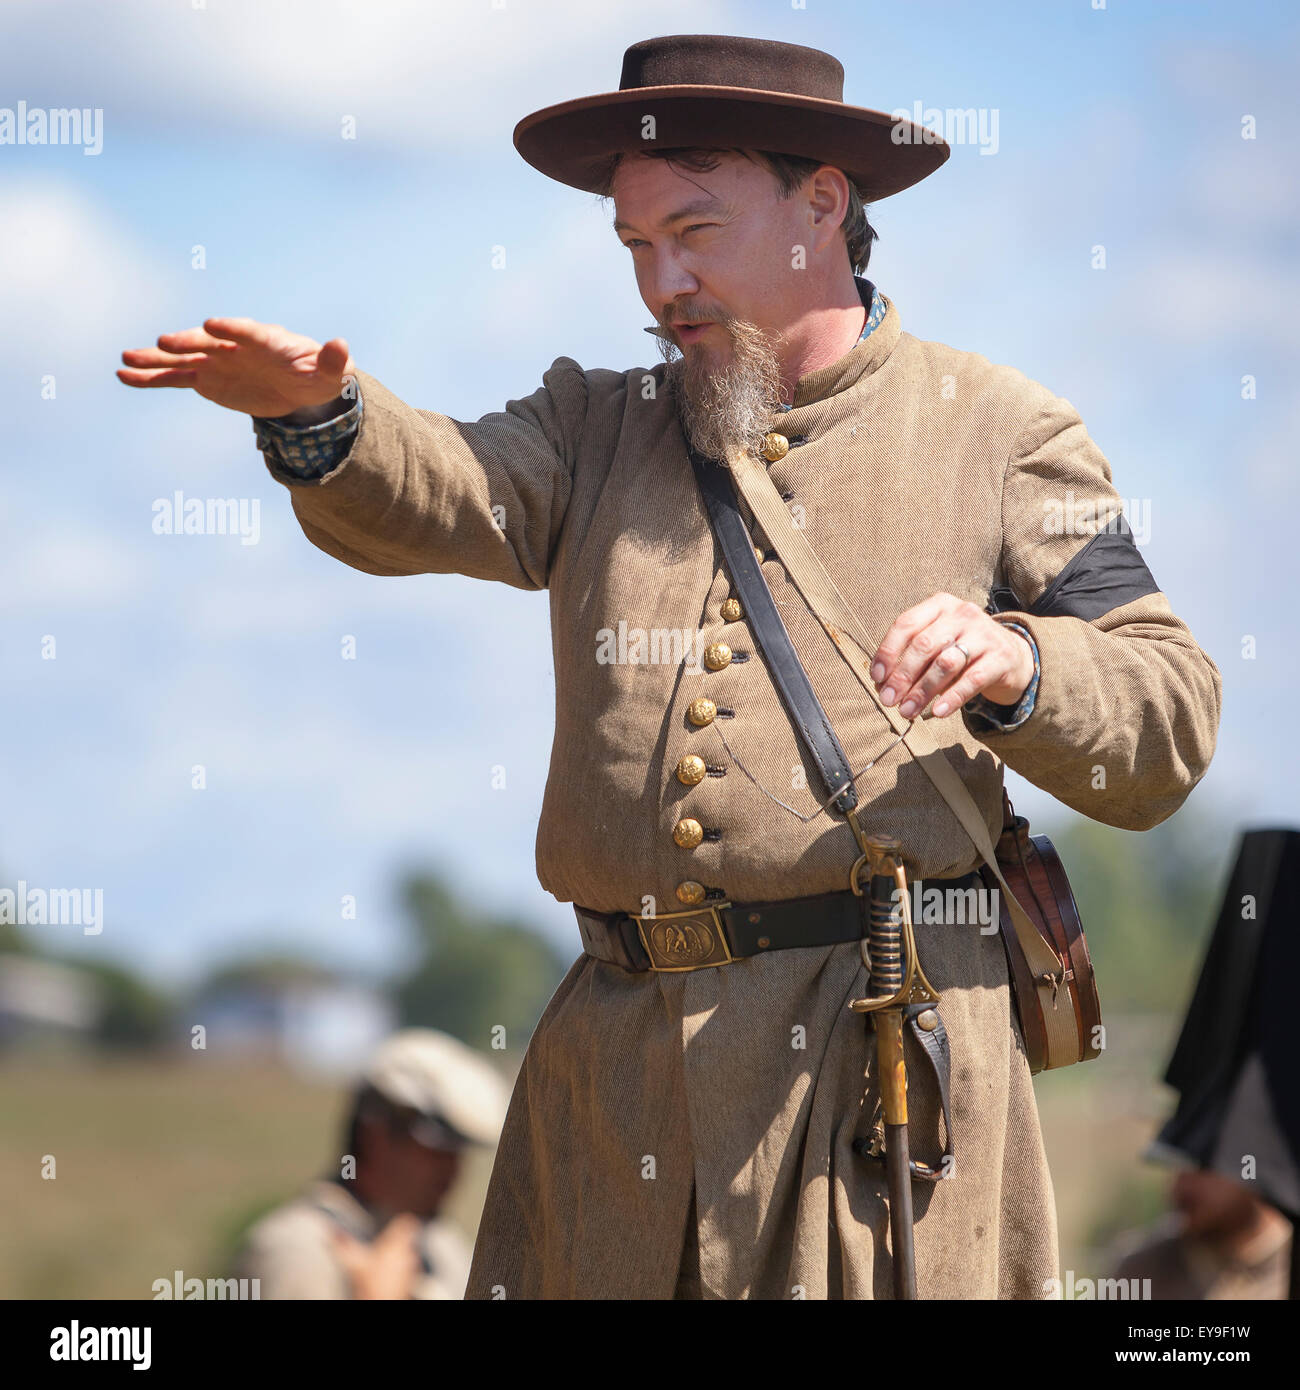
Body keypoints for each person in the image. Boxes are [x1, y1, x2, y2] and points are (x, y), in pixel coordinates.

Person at [119, 34, 1222, 1299]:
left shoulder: (1003, 431)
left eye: (692, 231)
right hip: (615, 1076)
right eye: (637, 247)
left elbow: (1169, 711)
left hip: (869, 1081)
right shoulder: (597, 425)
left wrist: (1022, 659)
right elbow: (448, 487)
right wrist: (323, 419)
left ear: (823, 203)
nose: (662, 283)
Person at [232, 1029, 509, 1299]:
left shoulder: (444, 1251)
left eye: (458, 1154)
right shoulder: (297, 1252)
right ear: (375, 1135)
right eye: (436, 1152)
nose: (452, 1171)